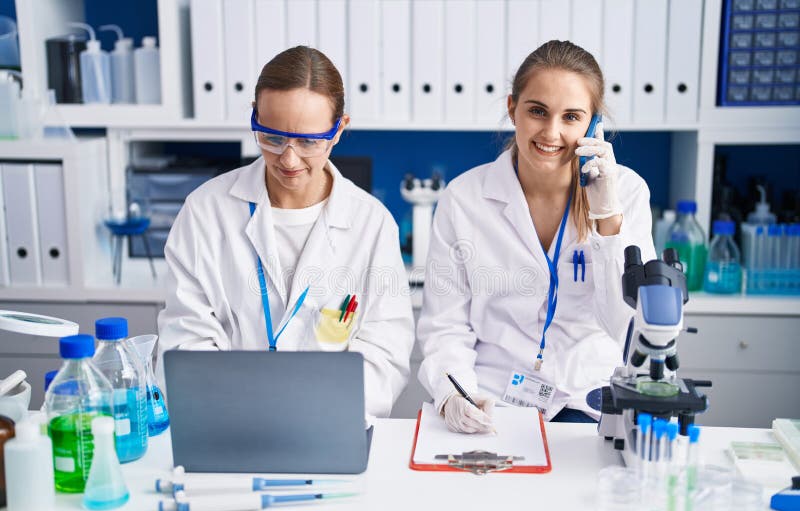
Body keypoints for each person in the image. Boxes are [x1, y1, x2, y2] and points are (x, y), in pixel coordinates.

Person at [157, 46, 414, 418]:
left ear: (339, 130)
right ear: (254, 119)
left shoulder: (371, 225)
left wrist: (311, 410)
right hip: (227, 422)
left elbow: (384, 356)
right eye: (272, 138)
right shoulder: (206, 212)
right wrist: (240, 407)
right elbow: (184, 341)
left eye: (308, 142)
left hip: (329, 423)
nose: (289, 160)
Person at [417, 40, 656, 432]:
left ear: (594, 123)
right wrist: (453, 394)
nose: (552, 132)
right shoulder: (464, 199)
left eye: (572, 117)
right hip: (488, 398)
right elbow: (445, 326)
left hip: (588, 399)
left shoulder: (626, 192)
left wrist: (607, 219)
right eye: (537, 112)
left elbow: (628, 325)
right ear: (512, 109)